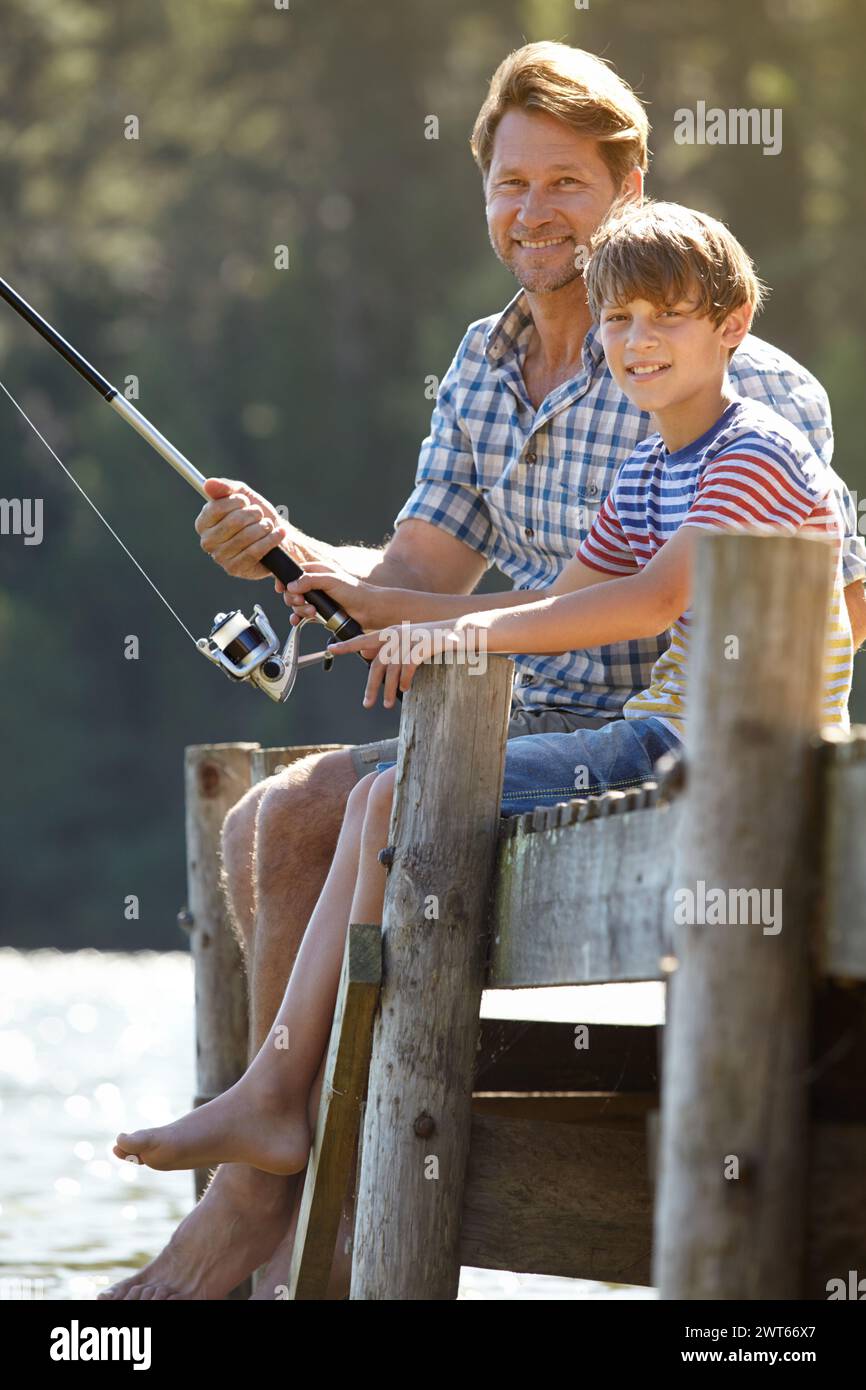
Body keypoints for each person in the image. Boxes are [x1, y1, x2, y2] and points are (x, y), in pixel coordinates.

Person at [100, 42, 866, 1302]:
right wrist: (287, 551)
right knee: (272, 817)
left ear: (629, 186)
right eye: (511, 184)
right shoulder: (483, 361)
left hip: (648, 728)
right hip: (508, 705)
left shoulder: (730, 381)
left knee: (351, 805)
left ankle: (266, 1229)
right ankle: (278, 1196)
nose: (532, 212)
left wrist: (452, 635)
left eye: (565, 181)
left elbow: (779, 589)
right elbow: (420, 566)